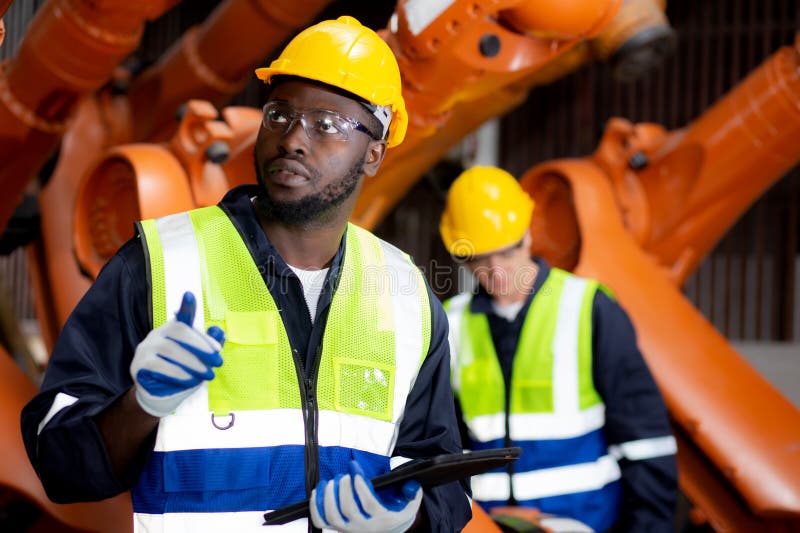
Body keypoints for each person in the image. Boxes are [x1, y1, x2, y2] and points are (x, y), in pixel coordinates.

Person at [21, 16, 471, 533]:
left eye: (327, 124)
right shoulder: (159, 265)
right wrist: (139, 405)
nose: (293, 139)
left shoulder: (406, 294)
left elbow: (445, 478)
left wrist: (405, 519)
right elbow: (57, 463)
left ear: (374, 153)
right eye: (279, 115)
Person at [439, 166, 678, 532]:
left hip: (586, 522)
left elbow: (645, 441)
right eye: (479, 260)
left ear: (528, 235)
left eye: (506, 252)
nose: (496, 270)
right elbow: (442, 446)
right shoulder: (450, 323)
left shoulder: (589, 308)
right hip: (488, 525)